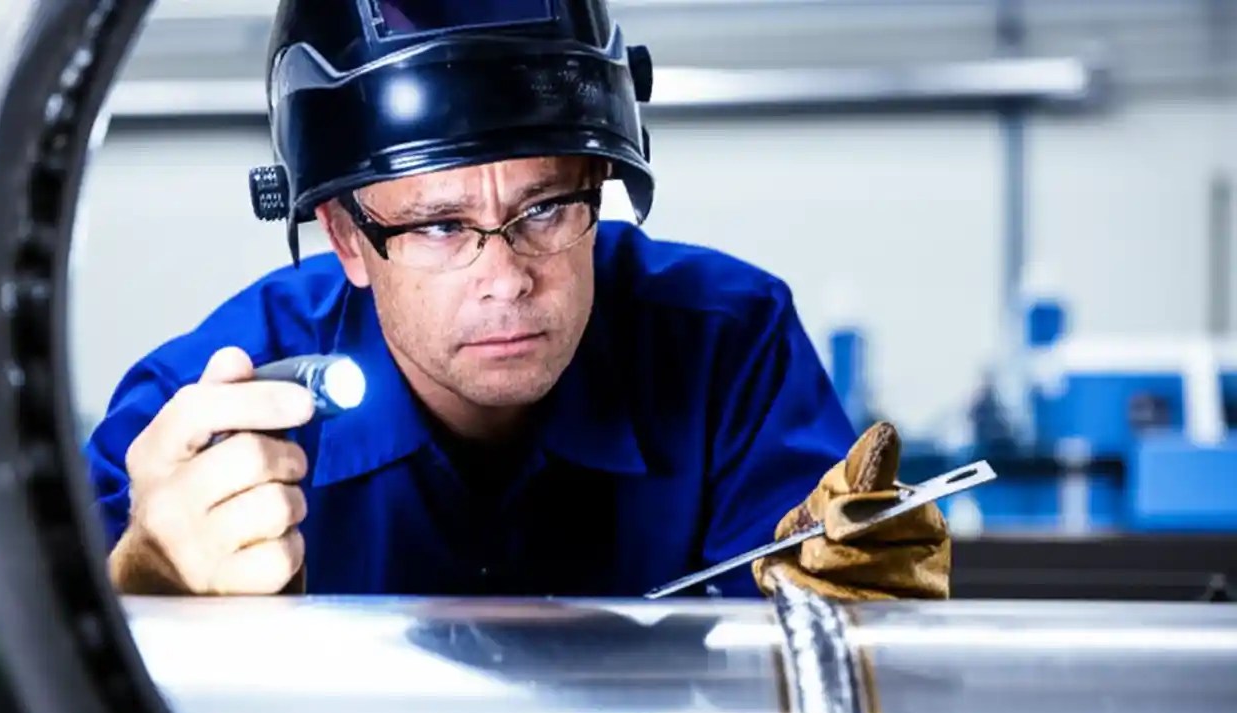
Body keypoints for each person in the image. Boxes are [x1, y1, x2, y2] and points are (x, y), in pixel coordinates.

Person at [89, 0, 950, 599]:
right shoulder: (210, 407)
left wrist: (858, 629)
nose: (506, 277)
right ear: (347, 238)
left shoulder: (728, 346)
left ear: (601, 186)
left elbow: (821, 633)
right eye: (437, 226)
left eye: (545, 209)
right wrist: (142, 584)